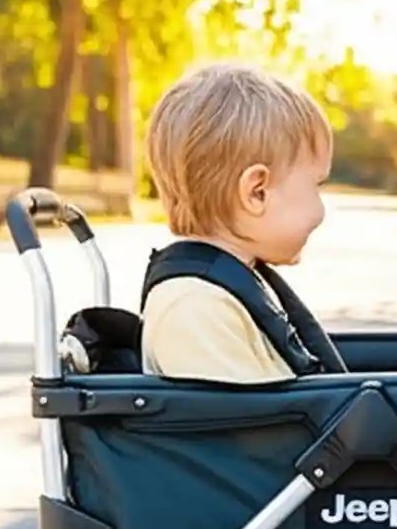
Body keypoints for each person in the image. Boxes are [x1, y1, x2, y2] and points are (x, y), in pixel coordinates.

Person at [139, 63, 337, 383]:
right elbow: (249, 429)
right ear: (256, 192)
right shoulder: (196, 309)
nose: (321, 211)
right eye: (316, 185)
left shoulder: (229, 287)